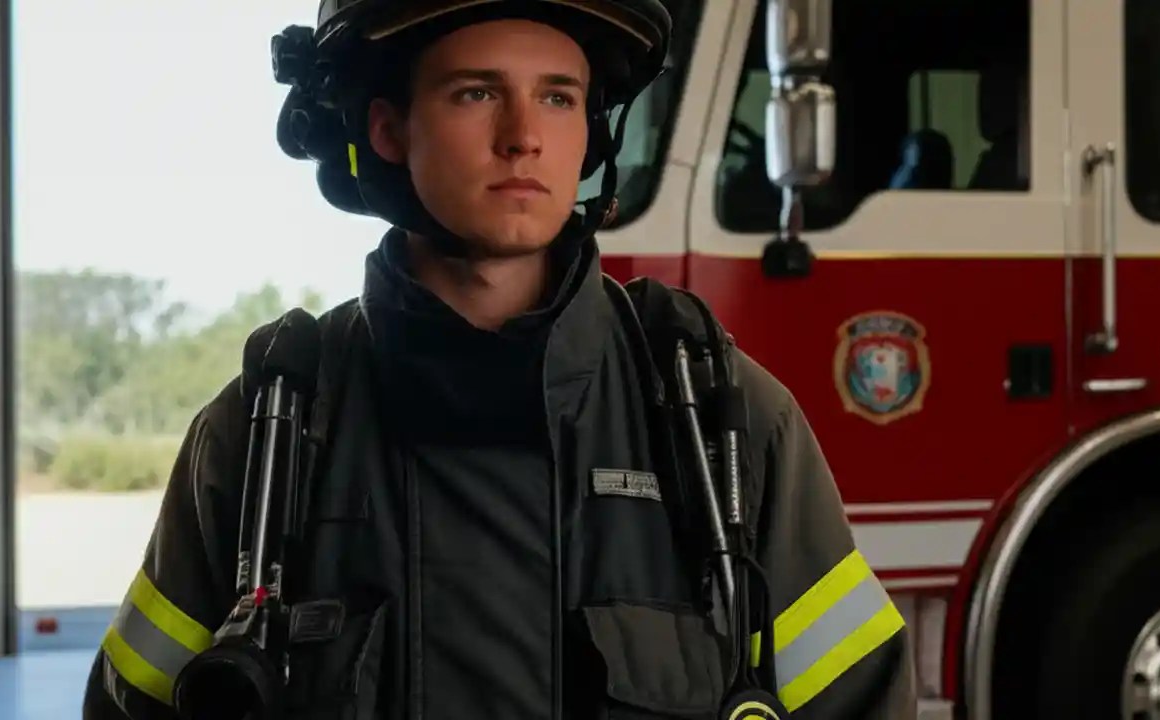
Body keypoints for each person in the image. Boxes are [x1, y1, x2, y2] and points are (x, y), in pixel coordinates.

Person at [82, 1, 917, 718]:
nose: (523, 138)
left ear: (590, 136)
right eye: (476, 92)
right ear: (386, 128)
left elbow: (860, 701)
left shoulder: (721, 422)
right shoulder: (264, 435)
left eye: (558, 97)